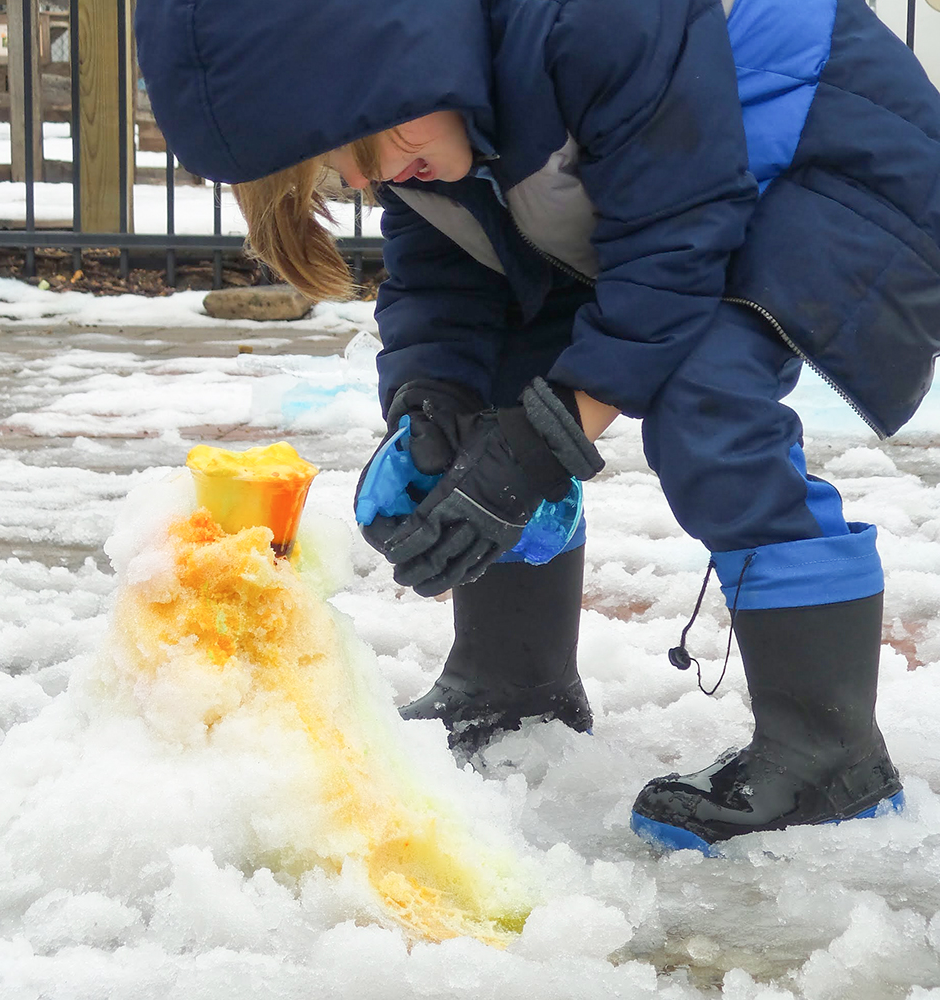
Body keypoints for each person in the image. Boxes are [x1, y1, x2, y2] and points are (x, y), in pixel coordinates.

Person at [136, 0, 940, 854]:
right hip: (671, 181)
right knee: (497, 391)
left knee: (709, 402)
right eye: (339, 162)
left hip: (826, 156)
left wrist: (536, 451)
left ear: (400, 52)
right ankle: (511, 684)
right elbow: (447, 280)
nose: (367, 175)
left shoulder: (587, 23)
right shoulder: (421, 126)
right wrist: (433, 400)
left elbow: (672, 247)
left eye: (369, 131)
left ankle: (831, 757)